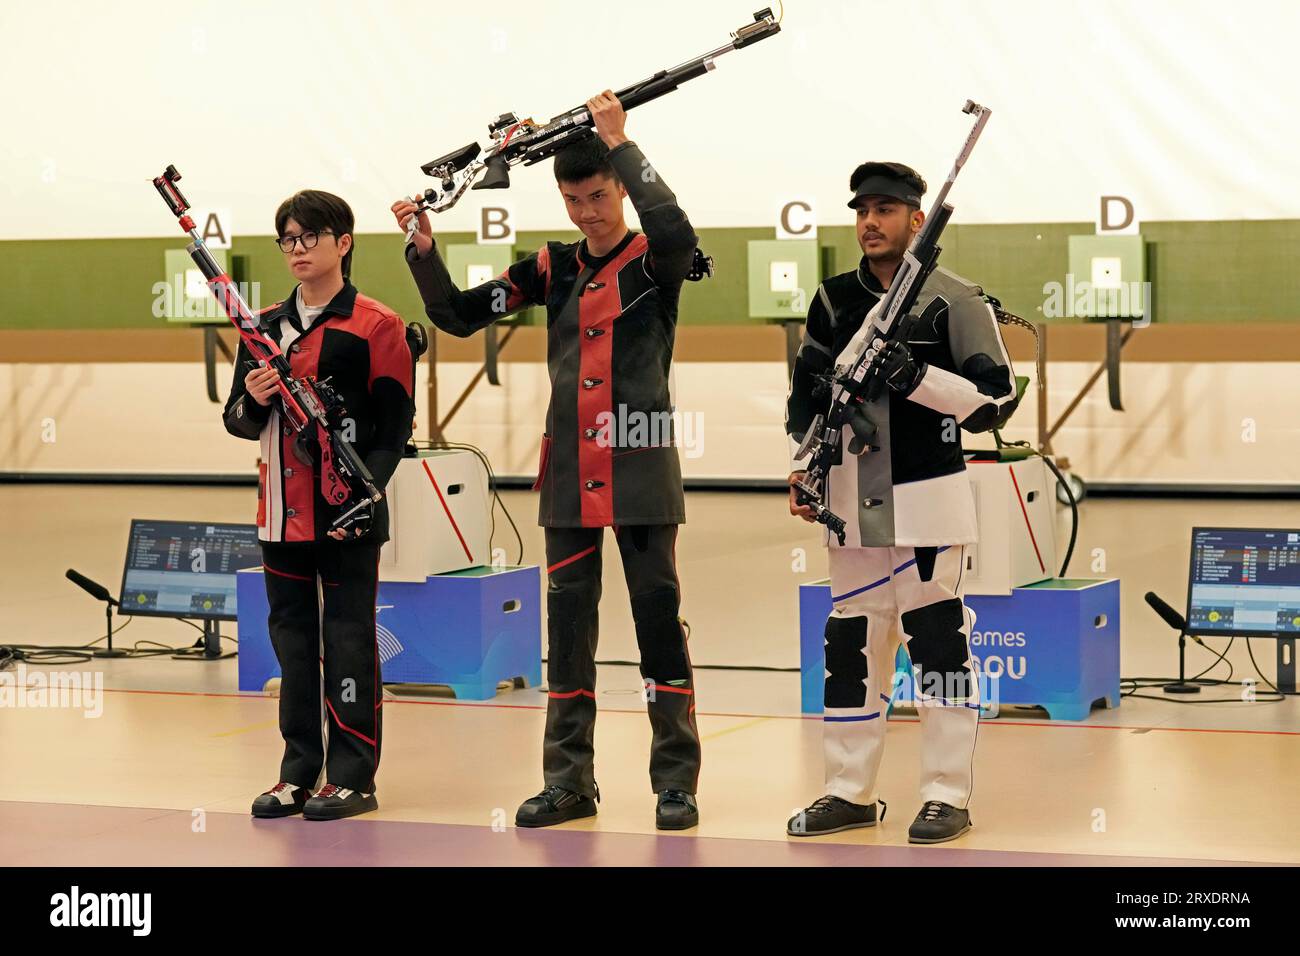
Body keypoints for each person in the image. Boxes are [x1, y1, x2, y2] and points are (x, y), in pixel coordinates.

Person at [393, 91, 703, 830]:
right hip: (567, 474)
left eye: (598, 196)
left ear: (619, 189)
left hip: (641, 467)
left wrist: (622, 139)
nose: (587, 212)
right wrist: (423, 251)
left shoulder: (659, 262)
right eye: (573, 199)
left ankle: (676, 783)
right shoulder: (549, 266)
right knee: (567, 628)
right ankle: (568, 781)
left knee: (659, 622)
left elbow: (677, 226)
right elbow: (455, 317)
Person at [784, 161, 1017, 843]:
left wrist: (917, 378)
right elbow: (806, 398)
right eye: (862, 210)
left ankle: (947, 793)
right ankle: (847, 790)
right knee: (852, 646)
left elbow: (993, 403)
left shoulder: (954, 300)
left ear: (918, 218)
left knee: (939, 646)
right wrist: (802, 470)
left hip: (930, 505)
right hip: (851, 503)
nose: (870, 223)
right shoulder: (832, 301)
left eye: (886, 210)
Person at [223, 190, 413, 821]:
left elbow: (394, 428)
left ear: (344, 242)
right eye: (289, 239)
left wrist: (366, 493)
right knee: (294, 647)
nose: (298, 249)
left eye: (311, 236)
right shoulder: (262, 327)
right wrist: (253, 396)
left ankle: (354, 775)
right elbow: (238, 421)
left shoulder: (377, 326)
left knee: (351, 640)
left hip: (346, 513)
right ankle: (298, 772)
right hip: (280, 515)